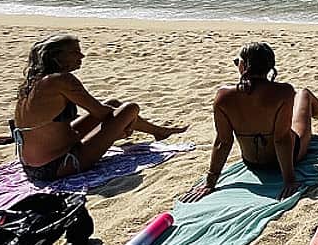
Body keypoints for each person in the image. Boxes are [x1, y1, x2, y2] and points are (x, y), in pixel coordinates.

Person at [12, 34, 187, 182]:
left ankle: (158, 131)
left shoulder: (34, 81)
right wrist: (121, 128)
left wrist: (119, 125)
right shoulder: (62, 80)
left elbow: (105, 110)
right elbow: (101, 114)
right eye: (74, 52)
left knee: (114, 104)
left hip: (32, 165)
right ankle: (152, 130)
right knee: (129, 109)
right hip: (57, 165)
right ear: (56, 57)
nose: (82, 56)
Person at [184, 42, 318, 201]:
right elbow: (281, 139)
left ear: (243, 66)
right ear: (269, 67)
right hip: (288, 159)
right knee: (303, 94)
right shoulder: (284, 91)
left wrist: (210, 183)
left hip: (252, 163)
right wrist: (289, 180)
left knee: (292, 110)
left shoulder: (223, 96)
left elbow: (223, 142)